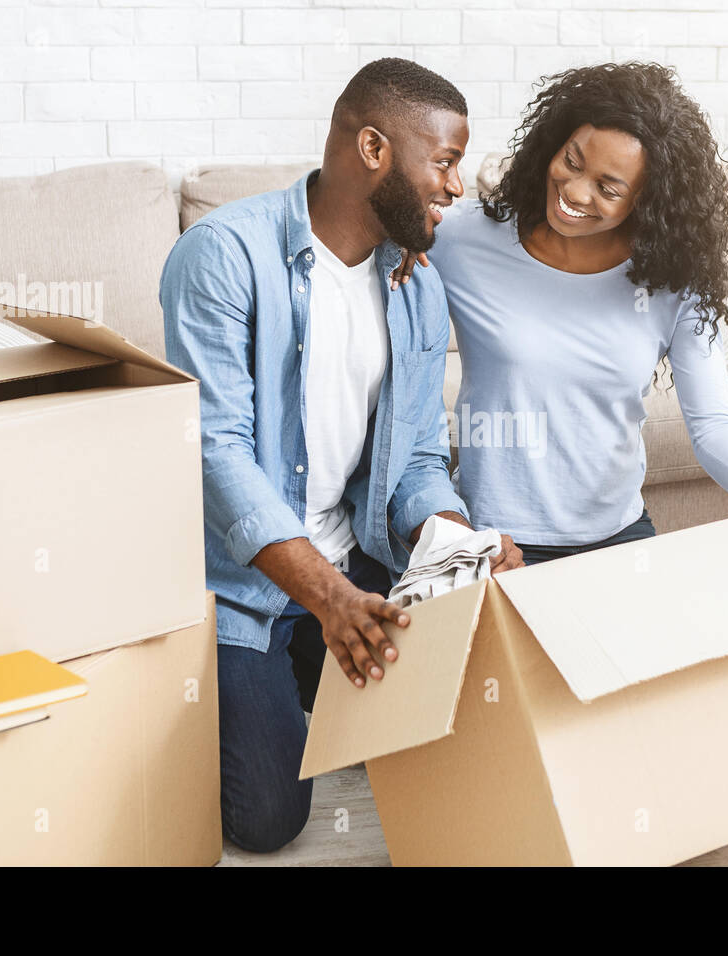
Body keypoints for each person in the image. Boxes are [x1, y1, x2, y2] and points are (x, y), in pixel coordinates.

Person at [160, 58, 522, 854]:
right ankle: (238, 682)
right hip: (244, 582)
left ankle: (303, 682)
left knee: (469, 724)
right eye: (446, 159)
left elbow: (421, 455)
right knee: (266, 819)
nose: (455, 187)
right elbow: (215, 453)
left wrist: (457, 542)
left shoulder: (414, 283)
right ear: (373, 148)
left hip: (351, 560)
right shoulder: (223, 254)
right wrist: (327, 600)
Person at [396, 62, 728, 565]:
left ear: (647, 202)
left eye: (608, 189)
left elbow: (713, 423)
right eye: (572, 160)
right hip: (495, 544)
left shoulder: (674, 282)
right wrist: (400, 236)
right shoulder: (464, 238)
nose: (573, 191)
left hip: (619, 538)